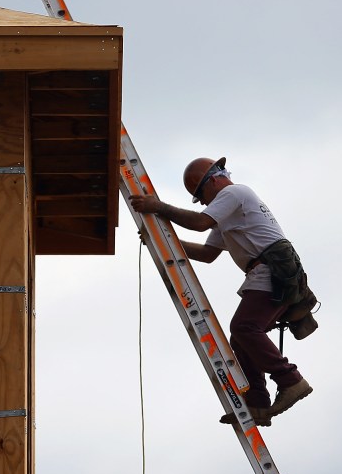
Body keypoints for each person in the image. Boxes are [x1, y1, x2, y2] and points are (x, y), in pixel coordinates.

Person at [128, 157, 313, 427]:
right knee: (241, 338)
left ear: (213, 180)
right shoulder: (225, 213)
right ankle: (258, 404)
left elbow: (200, 222)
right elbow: (207, 254)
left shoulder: (233, 193)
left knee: (245, 327)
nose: (203, 202)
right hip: (270, 269)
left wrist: (158, 208)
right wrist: (165, 242)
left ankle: (290, 380)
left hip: (273, 268)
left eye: (200, 195)